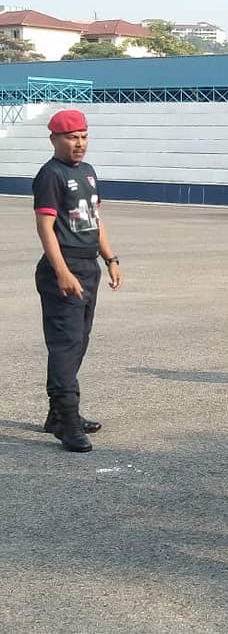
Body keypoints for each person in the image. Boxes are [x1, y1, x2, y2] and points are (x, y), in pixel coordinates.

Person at [33, 109, 122, 453]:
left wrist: (110, 258)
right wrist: (61, 271)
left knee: (79, 342)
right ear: (54, 139)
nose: (80, 143)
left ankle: (57, 413)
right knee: (66, 345)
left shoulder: (88, 172)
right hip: (64, 268)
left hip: (88, 266)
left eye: (84, 136)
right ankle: (67, 420)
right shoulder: (50, 175)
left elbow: (95, 219)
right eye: (72, 137)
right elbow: (45, 227)